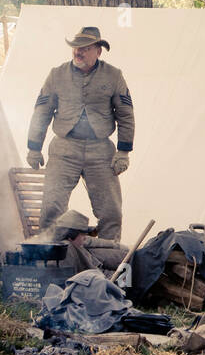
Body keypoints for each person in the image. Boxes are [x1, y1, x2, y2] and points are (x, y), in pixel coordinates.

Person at [28, 26, 134, 240]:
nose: (78, 52)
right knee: (51, 208)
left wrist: (123, 152)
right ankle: (47, 259)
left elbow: (125, 114)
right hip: (64, 148)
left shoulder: (114, 75)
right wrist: (33, 148)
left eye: (85, 48)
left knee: (111, 212)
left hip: (100, 150)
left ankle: (108, 261)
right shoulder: (56, 74)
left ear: (98, 51)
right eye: (76, 47)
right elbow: (42, 111)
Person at [53, 209, 129, 277]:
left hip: (96, 265)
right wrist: (124, 279)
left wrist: (116, 245)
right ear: (70, 236)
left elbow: (91, 241)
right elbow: (97, 276)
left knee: (128, 258)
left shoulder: (71, 241)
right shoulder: (69, 250)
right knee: (131, 266)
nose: (85, 237)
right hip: (98, 280)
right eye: (83, 234)